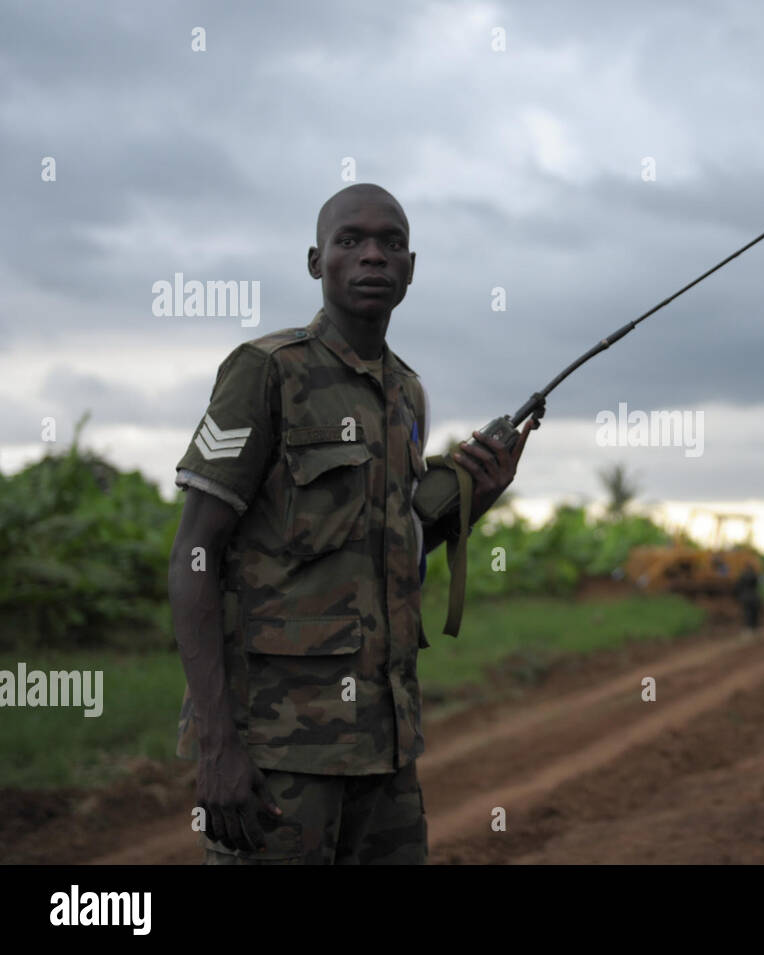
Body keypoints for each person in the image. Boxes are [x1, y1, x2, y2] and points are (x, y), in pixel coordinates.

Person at [167, 184, 540, 864]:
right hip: (282, 756)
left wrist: (478, 495)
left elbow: (399, 548)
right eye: (352, 240)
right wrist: (217, 746)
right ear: (317, 262)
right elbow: (192, 552)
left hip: (387, 751)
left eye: (391, 243)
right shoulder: (267, 372)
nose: (373, 255)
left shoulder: (406, 392)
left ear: (411, 267)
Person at [734, 565, 761, 638]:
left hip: (745, 598)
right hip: (754, 597)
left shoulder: (742, 577)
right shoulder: (754, 576)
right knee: (754, 614)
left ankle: (749, 630)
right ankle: (755, 629)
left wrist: (737, 596)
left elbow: (737, 587)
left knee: (747, 614)